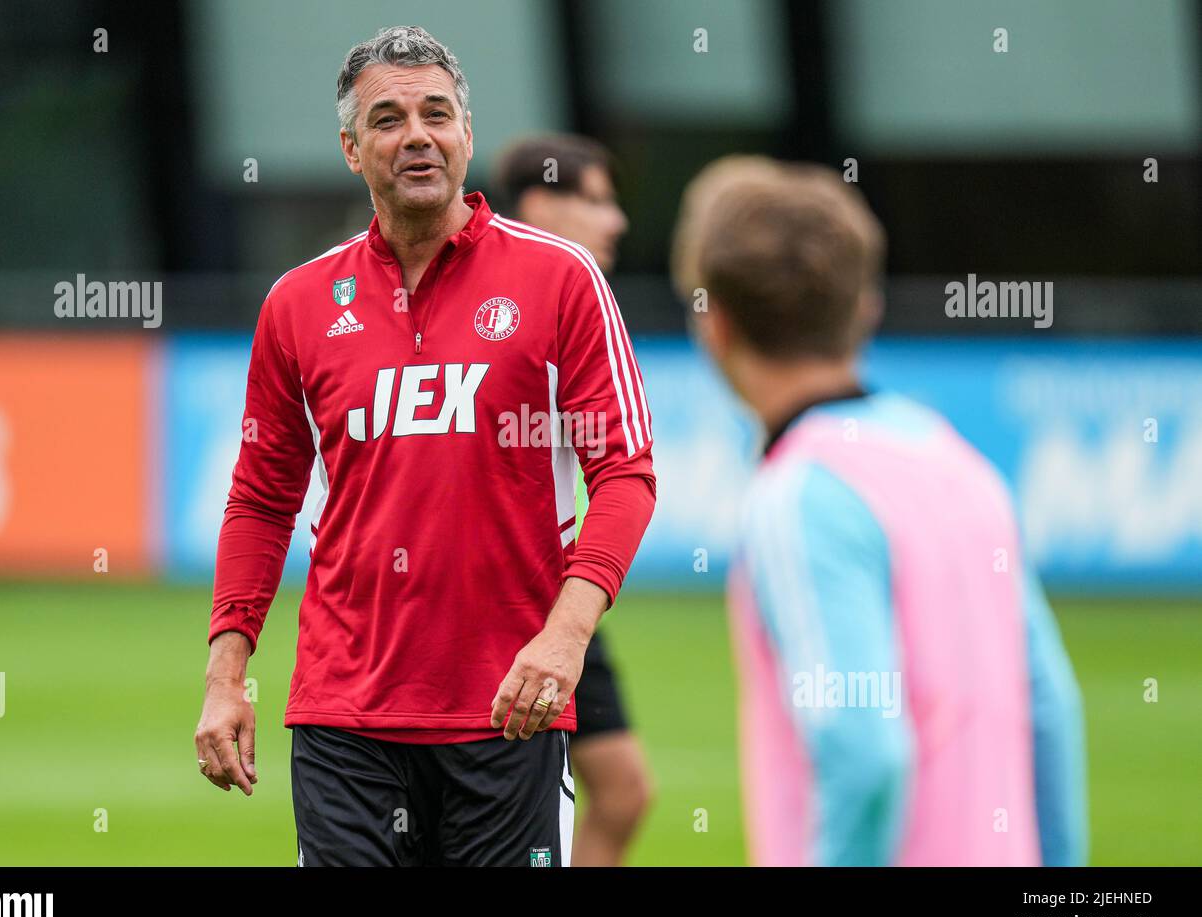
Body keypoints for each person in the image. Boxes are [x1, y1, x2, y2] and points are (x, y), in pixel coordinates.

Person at [194, 26, 655, 867]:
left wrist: (566, 636)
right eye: (387, 118)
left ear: (466, 135)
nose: (417, 135)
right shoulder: (297, 304)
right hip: (343, 716)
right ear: (350, 147)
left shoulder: (561, 279)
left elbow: (624, 473)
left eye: (436, 114)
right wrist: (227, 674)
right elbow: (261, 499)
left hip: (507, 706)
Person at [671, 156, 1087, 866]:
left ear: (718, 328)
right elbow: (1048, 713)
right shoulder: (957, 461)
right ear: (865, 306)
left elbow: (862, 748)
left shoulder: (800, 492)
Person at [492, 134, 652, 867]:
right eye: (595, 201)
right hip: (504, 598)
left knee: (622, 794)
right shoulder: (497, 309)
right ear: (539, 205)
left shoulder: (578, 298)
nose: (615, 220)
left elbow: (622, 466)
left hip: (570, 596)